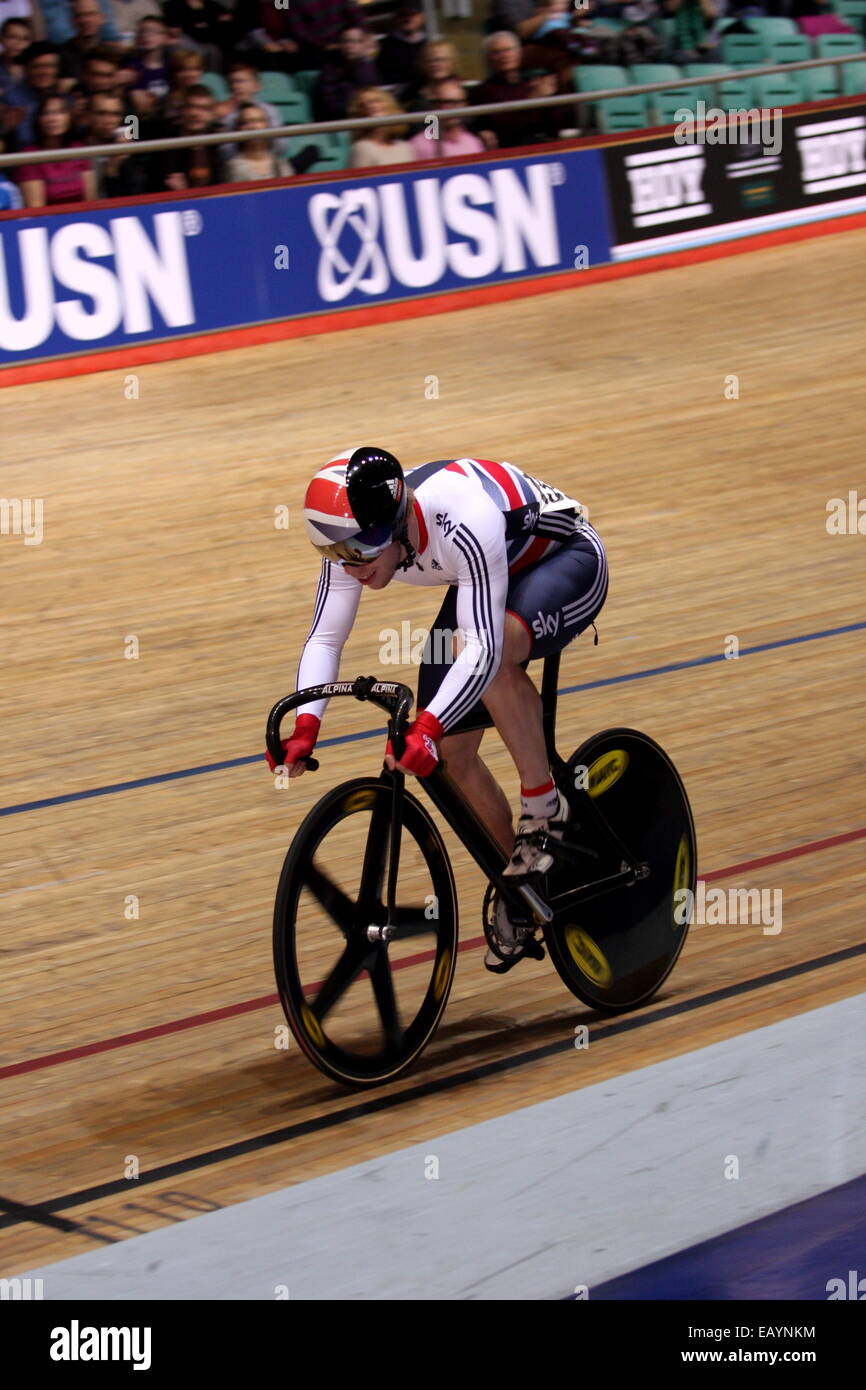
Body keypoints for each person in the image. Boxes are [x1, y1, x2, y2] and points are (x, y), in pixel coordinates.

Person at [267, 447, 608, 971]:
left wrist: (425, 725)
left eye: (359, 549)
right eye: (336, 552)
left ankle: (544, 808)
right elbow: (325, 638)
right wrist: (306, 725)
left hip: (563, 561)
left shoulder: (461, 517)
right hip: (487, 578)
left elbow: (484, 646)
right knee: (447, 753)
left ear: (393, 525)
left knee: (489, 664)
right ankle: (525, 885)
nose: (350, 565)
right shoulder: (353, 541)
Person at [16, 91, 95, 203]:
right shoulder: (29, 156)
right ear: (38, 119)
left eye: (60, 112)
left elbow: (91, 203)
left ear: (69, 117)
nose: (52, 119)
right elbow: (37, 211)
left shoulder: (79, 149)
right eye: (46, 113)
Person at [158, 81, 224, 188]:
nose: (195, 113)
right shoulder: (167, 144)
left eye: (203, 108)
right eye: (190, 106)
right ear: (182, 110)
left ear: (212, 113)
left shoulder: (218, 142)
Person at [312, 25, 379, 122]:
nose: (349, 45)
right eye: (345, 41)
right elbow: (330, 104)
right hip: (343, 120)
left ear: (365, 44)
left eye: (355, 41)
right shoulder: (330, 71)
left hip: (371, 115)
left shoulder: (370, 66)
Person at [409, 79, 484, 160]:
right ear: (434, 106)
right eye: (444, 102)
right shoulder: (419, 145)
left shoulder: (473, 142)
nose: (450, 108)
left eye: (457, 102)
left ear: (465, 105)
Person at [348, 86, 416, 167]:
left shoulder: (405, 147)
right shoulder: (362, 148)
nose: (370, 106)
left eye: (376, 101)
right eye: (363, 105)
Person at [225, 99, 292, 180]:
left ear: (267, 126)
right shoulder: (234, 168)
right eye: (246, 122)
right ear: (238, 129)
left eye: (258, 121)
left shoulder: (281, 164)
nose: (253, 127)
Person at [376, 3, 427, 89]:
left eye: (411, 14)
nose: (406, 19)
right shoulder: (382, 46)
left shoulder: (429, 44)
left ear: (421, 17)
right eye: (401, 15)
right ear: (395, 18)